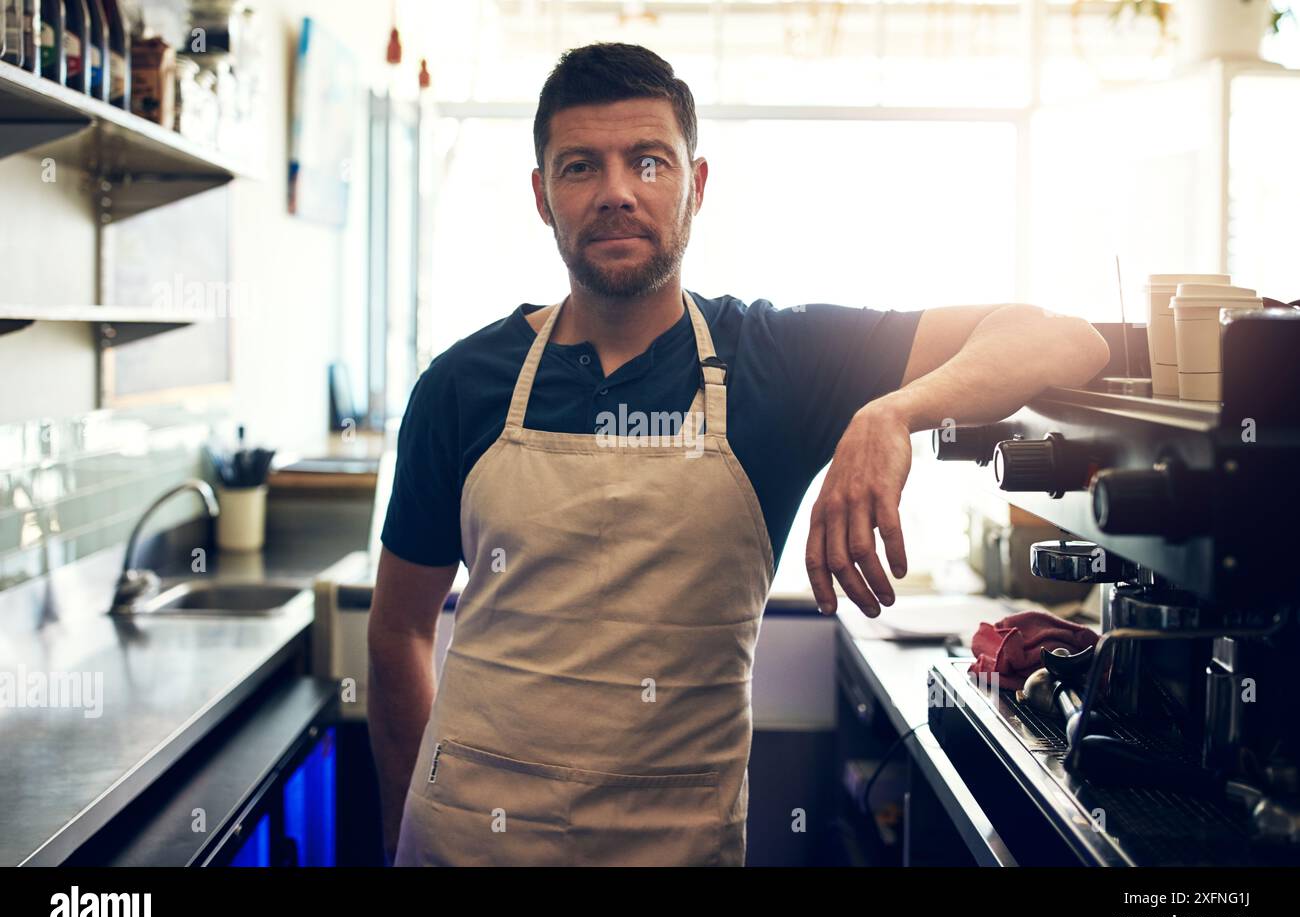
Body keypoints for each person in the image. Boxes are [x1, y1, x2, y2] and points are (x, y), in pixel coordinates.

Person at [368, 42, 1109, 866]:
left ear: (698, 185)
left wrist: (893, 414)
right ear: (543, 197)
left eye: (648, 161)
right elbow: (399, 629)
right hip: (466, 841)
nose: (616, 192)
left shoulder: (779, 361)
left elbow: (1053, 336)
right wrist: (404, 831)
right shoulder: (460, 385)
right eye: (581, 167)